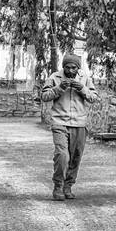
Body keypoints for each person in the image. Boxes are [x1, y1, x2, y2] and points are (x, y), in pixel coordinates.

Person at [40, 53, 99, 200]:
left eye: (74, 68)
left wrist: (82, 89)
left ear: (78, 68)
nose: (71, 71)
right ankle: (58, 186)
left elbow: (93, 98)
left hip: (79, 123)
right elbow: (44, 96)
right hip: (59, 122)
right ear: (63, 66)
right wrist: (59, 88)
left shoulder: (84, 78)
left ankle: (68, 186)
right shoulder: (54, 77)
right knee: (62, 155)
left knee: (75, 157)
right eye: (67, 67)